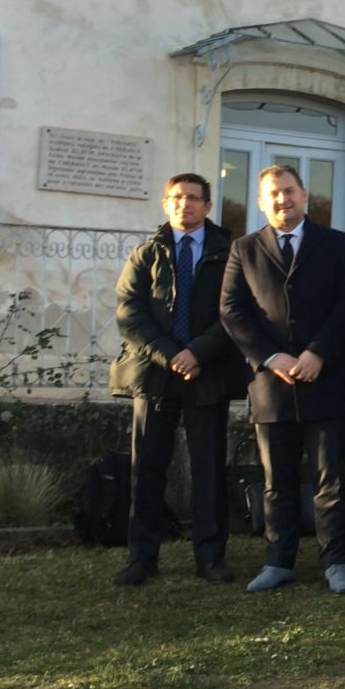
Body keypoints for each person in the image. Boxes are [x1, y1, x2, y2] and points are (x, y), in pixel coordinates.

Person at [220, 164, 345, 594]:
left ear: (304, 195)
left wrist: (317, 352)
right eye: (273, 194)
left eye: (289, 191)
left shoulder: (335, 243)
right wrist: (270, 357)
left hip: (327, 379)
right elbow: (232, 310)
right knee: (276, 482)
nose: (282, 199)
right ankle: (278, 561)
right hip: (272, 385)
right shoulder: (244, 248)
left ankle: (335, 560)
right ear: (261, 202)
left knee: (329, 480)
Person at [108, 173, 246, 586]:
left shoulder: (229, 255)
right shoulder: (146, 253)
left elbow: (235, 311)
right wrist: (171, 355)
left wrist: (197, 353)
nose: (184, 204)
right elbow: (130, 314)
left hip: (208, 373)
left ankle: (210, 557)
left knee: (209, 470)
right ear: (165, 204)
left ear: (208, 206)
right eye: (177, 198)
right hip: (155, 374)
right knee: (147, 468)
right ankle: (142, 558)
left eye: (193, 198)